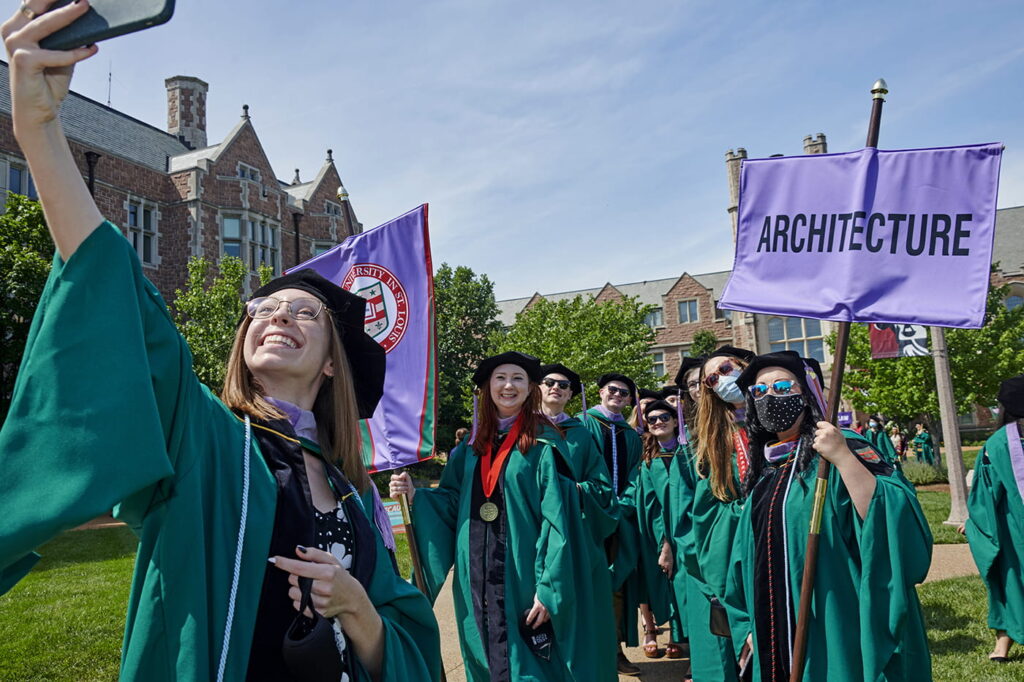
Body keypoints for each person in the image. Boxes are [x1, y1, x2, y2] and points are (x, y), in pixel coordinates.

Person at [0, 7, 441, 680]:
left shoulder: (354, 494)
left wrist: (358, 607)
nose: (274, 315)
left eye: (304, 312)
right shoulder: (209, 441)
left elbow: (406, 646)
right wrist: (38, 128)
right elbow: (123, 300)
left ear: (331, 363)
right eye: (263, 309)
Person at [726, 350, 932, 681]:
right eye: (759, 391)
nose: (770, 397)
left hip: (838, 618)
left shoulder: (840, 448)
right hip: (775, 627)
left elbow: (893, 516)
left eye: (782, 386)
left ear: (807, 394)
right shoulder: (766, 472)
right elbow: (741, 561)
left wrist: (843, 458)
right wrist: (748, 625)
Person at [389, 352, 584, 682]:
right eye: (500, 378)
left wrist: (549, 587)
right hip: (474, 572)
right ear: (487, 387)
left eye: (518, 378)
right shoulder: (470, 445)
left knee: (529, 662)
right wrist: (415, 496)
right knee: (480, 652)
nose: (509, 385)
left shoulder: (544, 443)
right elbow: (451, 500)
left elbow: (557, 520)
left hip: (523, 571)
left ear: (530, 388)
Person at [538, 362, 620, 680]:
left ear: (571, 394)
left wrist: (569, 490)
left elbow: (602, 490)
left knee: (584, 618)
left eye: (563, 385)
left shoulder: (581, 435)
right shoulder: (521, 430)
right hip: (536, 535)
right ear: (538, 388)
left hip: (578, 537)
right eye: (548, 382)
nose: (555, 387)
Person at [687, 346, 756, 682]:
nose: (724, 379)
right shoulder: (717, 442)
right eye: (713, 379)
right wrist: (745, 510)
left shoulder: (788, 420)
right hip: (747, 547)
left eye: (727, 368)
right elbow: (708, 515)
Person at [579, 373, 644, 676]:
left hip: (619, 515)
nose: (618, 395)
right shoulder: (582, 424)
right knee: (583, 579)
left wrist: (623, 503)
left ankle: (614, 648)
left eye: (625, 393)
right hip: (586, 514)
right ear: (602, 392)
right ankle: (586, 648)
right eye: (613, 390)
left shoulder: (630, 435)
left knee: (615, 582)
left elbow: (635, 475)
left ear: (631, 400)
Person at [961, 374, 1024, 664]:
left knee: (1011, 581)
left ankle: (1003, 645)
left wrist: (975, 525)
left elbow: (987, 495)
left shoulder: (998, 444)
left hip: (1015, 530)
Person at [635, 400, 690, 661]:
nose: (658, 422)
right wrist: (665, 543)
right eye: (652, 419)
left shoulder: (691, 453)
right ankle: (678, 639)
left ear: (677, 419)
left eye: (664, 417)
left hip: (693, 537)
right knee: (672, 589)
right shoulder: (649, 460)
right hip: (666, 537)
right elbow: (652, 508)